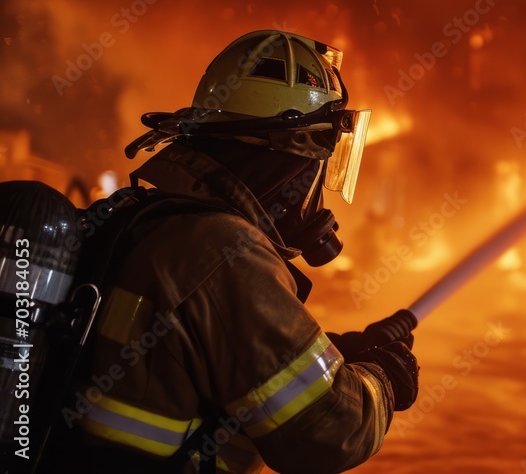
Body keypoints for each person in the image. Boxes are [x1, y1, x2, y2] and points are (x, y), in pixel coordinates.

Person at [60, 30, 419, 473]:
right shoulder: (227, 253)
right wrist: (382, 378)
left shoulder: (140, 219)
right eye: (315, 165)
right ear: (292, 162)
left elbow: (207, 360)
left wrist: (331, 365)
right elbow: (331, 434)